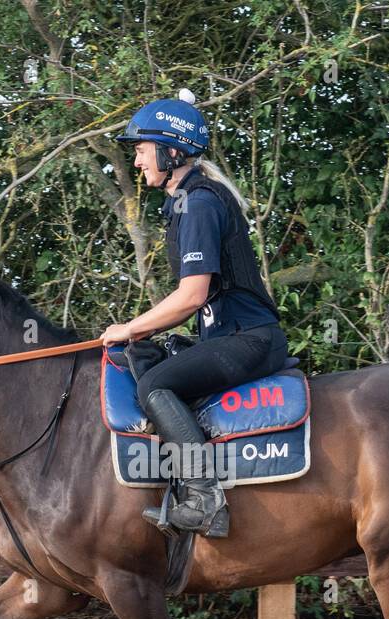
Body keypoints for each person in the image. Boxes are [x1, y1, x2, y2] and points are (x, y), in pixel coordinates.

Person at [100, 90, 289, 539]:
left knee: (155, 385)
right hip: (229, 337)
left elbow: (190, 298)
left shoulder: (200, 203)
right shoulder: (187, 201)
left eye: (143, 152)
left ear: (171, 151)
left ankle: (205, 502)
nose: (137, 162)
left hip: (250, 338)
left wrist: (128, 328)